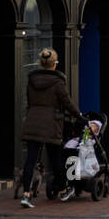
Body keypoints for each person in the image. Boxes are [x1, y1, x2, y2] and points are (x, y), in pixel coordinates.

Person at [20, 48, 79, 208]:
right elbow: (67, 102)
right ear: (54, 64)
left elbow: (30, 101)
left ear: (41, 63)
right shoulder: (58, 82)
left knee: (30, 160)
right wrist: (78, 114)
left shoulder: (31, 80)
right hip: (52, 124)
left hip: (33, 121)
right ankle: (66, 189)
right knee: (56, 160)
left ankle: (26, 195)